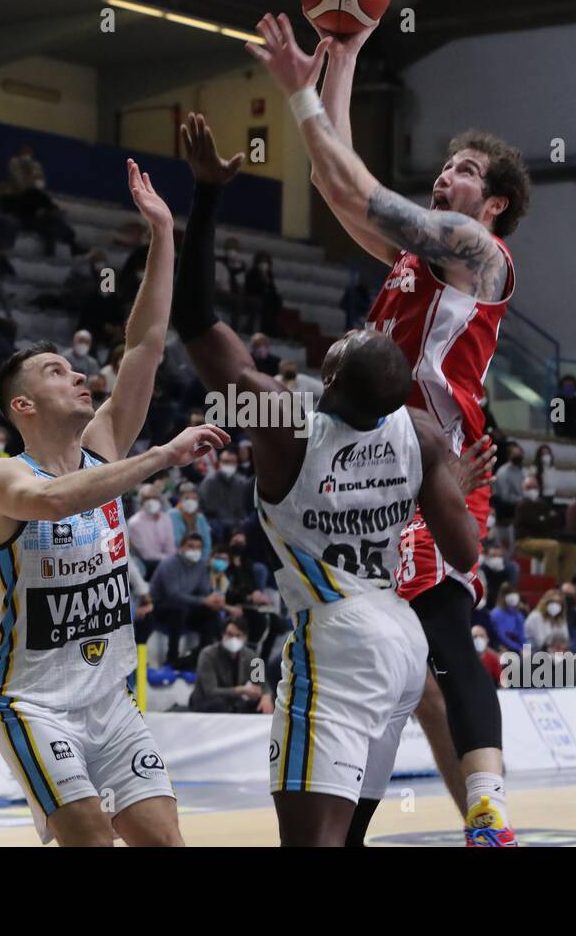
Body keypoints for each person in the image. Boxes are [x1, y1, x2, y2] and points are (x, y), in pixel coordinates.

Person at [168, 110, 489, 846]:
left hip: (337, 637)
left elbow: (194, 321)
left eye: (349, 339)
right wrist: (453, 481)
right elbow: (466, 554)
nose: (353, 329)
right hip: (402, 642)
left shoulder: (286, 427)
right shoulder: (423, 435)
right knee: (346, 837)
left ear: (332, 372)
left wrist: (208, 197)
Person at [0, 159, 231, 848]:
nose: (79, 375)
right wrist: (161, 457)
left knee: (164, 840)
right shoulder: (5, 477)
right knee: (88, 839)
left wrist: (163, 236)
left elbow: (146, 342)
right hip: (34, 705)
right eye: (57, 372)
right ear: (23, 405)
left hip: (110, 703)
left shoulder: (104, 445)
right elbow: (57, 503)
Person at [150, 533, 226, 669]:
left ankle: (204, 658)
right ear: (181, 547)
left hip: (187, 606)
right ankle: (171, 658)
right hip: (161, 607)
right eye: (191, 546)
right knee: (179, 609)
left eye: (198, 547)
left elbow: (205, 591)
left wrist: (214, 599)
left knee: (211, 613)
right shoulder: (169, 564)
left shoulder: (201, 566)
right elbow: (173, 595)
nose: (195, 550)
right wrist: (204, 601)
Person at [189, 618, 274, 712]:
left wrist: (266, 696)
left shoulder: (252, 656)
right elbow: (210, 691)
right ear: (223, 634)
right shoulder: (208, 654)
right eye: (229, 634)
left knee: (268, 702)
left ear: (245, 637)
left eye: (238, 635)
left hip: (235, 701)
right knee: (219, 704)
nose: (233, 639)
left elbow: (263, 684)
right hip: (207, 701)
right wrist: (241, 690)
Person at [513, 475, 576, 584]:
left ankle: (564, 584)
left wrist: (545, 519)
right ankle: (549, 583)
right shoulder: (521, 505)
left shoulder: (542, 504)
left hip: (544, 539)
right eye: (529, 487)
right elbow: (537, 523)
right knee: (552, 546)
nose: (532, 490)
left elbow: (552, 521)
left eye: (535, 487)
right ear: (523, 489)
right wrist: (546, 519)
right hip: (525, 541)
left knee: (573, 549)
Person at [197, 447, 250, 542]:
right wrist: (235, 529)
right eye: (225, 461)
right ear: (219, 463)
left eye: (232, 462)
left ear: (237, 463)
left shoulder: (242, 482)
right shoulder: (209, 482)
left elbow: (243, 509)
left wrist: (240, 527)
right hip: (215, 523)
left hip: (238, 524)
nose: (229, 465)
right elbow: (212, 510)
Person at [127, 483, 176, 577]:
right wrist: (169, 560)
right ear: (141, 501)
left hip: (166, 561)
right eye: (147, 499)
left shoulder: (165, 518)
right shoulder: (135, 523)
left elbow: (170, 545)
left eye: (154, 498)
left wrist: (173, 559)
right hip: (147, 565)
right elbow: (147, 554)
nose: (151, 501)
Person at [168, 480, 212, 558]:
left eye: (194, 498)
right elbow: (172, 543)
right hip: (177, 558)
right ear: (180, 499)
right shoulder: (171, 515)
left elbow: (207, 544)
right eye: (187, 498)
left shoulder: (200, 517)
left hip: (198, 559)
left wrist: (201, 562)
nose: (190, 501)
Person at [488, 585, 526, 653]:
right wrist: (518, 648)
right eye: (509, 593)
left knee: (529, 659)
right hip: (503, 648)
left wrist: (527, 651)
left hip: (518, 648)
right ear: (503, 597)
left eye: (514, 593)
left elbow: (523, 636)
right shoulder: (496, 614)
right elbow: (502, 637)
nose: (513, 596)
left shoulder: (518, 614)